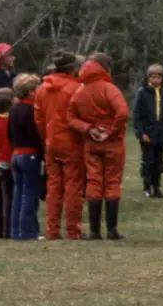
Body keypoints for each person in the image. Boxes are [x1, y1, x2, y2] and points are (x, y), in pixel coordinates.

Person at [68, 53, 129, 240]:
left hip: (91, 142)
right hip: (113, 143)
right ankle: (112, 230)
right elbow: (123, 112)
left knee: (94, 182)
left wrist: (88, 128)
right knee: (112, 182)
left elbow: (70, 117)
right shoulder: (109, 89)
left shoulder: (80, 91)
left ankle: (94, 231)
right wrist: (111, 130)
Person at [33, 49, 86, 240]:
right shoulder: (77, 89)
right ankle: (73, 230)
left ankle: (52, 230)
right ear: (72, 68)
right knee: (73, 187)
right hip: (72, 143)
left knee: (53, 186)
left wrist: (46, 137)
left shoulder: (41, 89)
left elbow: (38, 119)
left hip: (50, 142)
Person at [8, 73, 44, 240]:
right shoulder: (30, 110)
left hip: (16, 154)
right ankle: (27, 232)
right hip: (29, 155)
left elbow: (9, 133)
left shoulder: (14, 109)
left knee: (18, 193)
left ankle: (15, 230)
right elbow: (34, 135)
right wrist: (43, 152)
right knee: (29, 194)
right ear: (30, 92)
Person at [133, 63, 163, 198]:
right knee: (148, 161)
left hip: (161, 134)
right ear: (148, 77)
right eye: (153, 77)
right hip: (147, 134)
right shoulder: (142, 93)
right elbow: (136, 115)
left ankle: (157, 186)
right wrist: (140, 132)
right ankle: (147, 186)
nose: (155, 80)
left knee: (159, 161)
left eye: (158, 77)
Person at [0, 88, 15, 238]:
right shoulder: (6, 122)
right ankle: (7, 228)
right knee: (8, 196)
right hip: (7, 161)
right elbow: (8, 145)